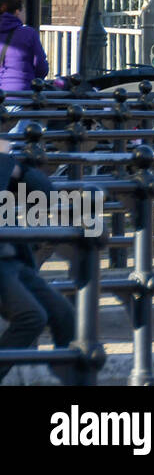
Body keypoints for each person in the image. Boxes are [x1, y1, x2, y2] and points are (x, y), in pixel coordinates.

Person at [0, 153, 75, 384]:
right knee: (32, 317)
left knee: (65, 315)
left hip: (13, 261)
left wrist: (19, 171)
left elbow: (47, 192)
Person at [0, 0, 49, 94]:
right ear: (17, 12)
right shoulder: (28, 33)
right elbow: (40, 66)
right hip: (20, 91)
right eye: (24, 11)